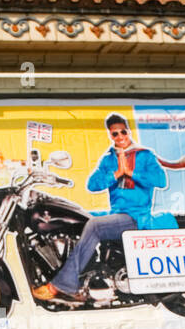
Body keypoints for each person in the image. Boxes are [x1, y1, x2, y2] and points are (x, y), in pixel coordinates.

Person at [32, 113, 170, 302]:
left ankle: (62, 285)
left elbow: (161, 181)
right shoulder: (108, 159)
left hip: (136, 217)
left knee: (95, 226)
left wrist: (130, 172)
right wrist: (116, 174)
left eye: (123, 132)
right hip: (116, 215)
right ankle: (84, 277)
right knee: (77, 220)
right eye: (115, 134)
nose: (120, 137)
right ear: (110, 135)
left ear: (128, 131)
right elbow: (92, 184)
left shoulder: (144, 155)